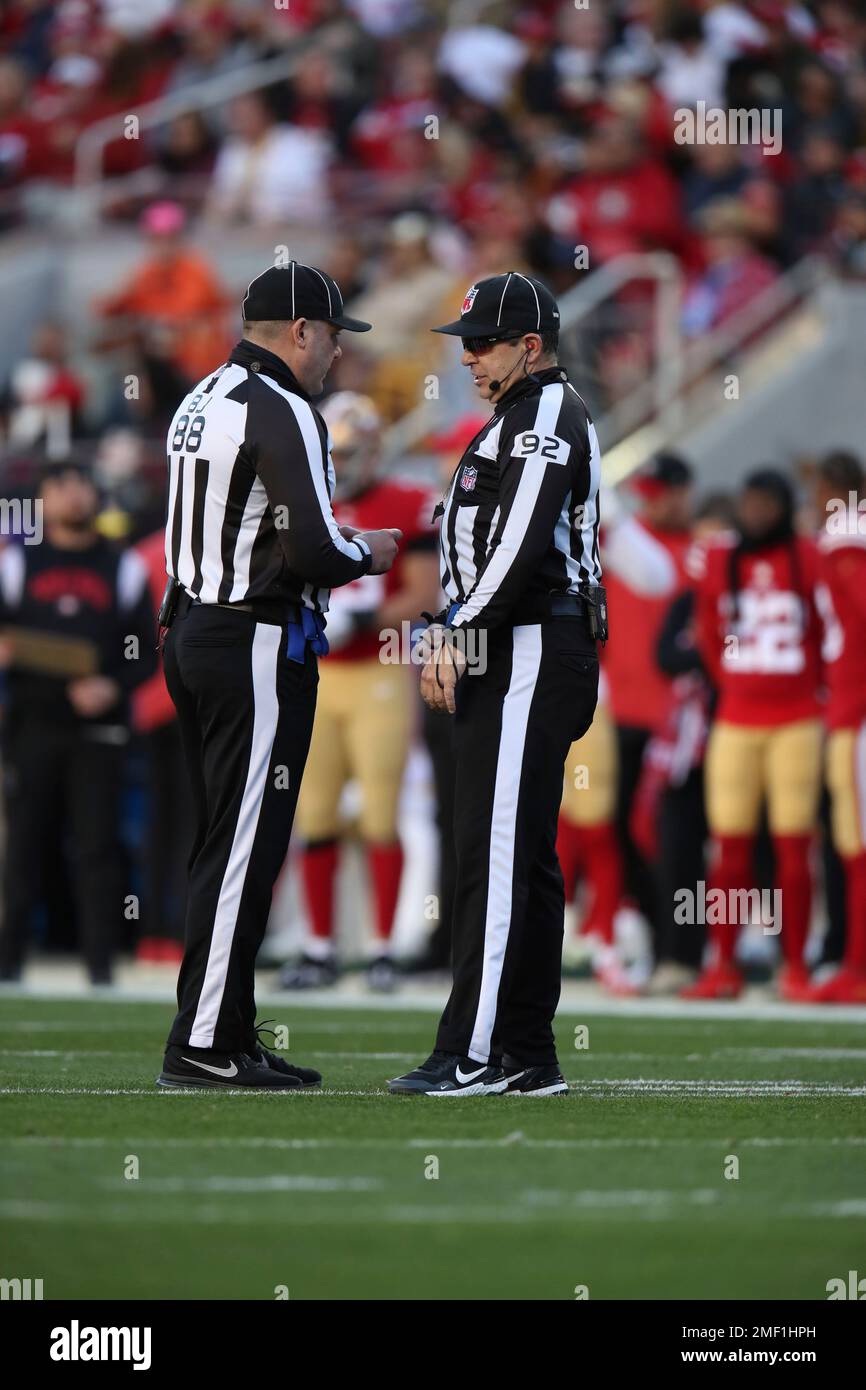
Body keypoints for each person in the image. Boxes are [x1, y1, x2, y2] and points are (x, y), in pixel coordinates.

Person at [155, 261, 400, 1091]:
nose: (336, 354)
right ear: (301, 331)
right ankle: (205, 1043)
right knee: (243, 848)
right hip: (250, 640)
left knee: (228, 842)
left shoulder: (202, 396)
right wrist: (373, 550)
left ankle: (225, 1029)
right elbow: (312, 552)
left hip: (191, 627)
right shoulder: (283, 406)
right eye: (331, 336)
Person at [389, 271, 603, 1097]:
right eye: (468, 343)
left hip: (531, 646)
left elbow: (517, 550)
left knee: (497, 852)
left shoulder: (547, 412)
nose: (470, 358)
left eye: (483, 343)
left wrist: (451, 631)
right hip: (511, 645)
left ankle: (470, 1053)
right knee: (517, 854)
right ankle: (525, 1053)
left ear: (531, 346)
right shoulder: (517, 416)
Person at [281, 390, 439, 992]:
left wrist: (365, 619)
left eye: (350, 450)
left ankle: (380, 950)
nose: (342, 463)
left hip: (378, 673)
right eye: (334, 451)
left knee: (380, 812)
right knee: (315, 812)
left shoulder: (404, 500)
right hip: (317, 676)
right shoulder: (304, 502)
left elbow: (424, 596)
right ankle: (319, 949)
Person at [0, 460, 155, 983]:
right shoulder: (17, 564)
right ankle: (9, 962)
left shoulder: (124, 566)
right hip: (32, 724)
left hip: (99, 727)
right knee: (24, 842)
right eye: (60, 486)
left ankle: (100, 967)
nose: (73, 496)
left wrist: (111, 685)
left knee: (97, 845)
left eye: (81, 484)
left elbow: (144, 651)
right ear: (42, 499)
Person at [685, 470, 823, 1000]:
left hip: (796, 718)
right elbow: (705, 628)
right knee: (729, 847)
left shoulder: (807, 556)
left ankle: (796, 968)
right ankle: (723, 964)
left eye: (767, 504)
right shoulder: (722, 557)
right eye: (751, 503)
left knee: (793, 845)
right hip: (737, 719)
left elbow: (824, 626)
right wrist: (733, 685)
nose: (756, 513)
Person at [807, 452, 866, 1003]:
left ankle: (857, 966)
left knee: (855, 842)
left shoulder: (845, 533)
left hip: (856, 706)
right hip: (847, 703)